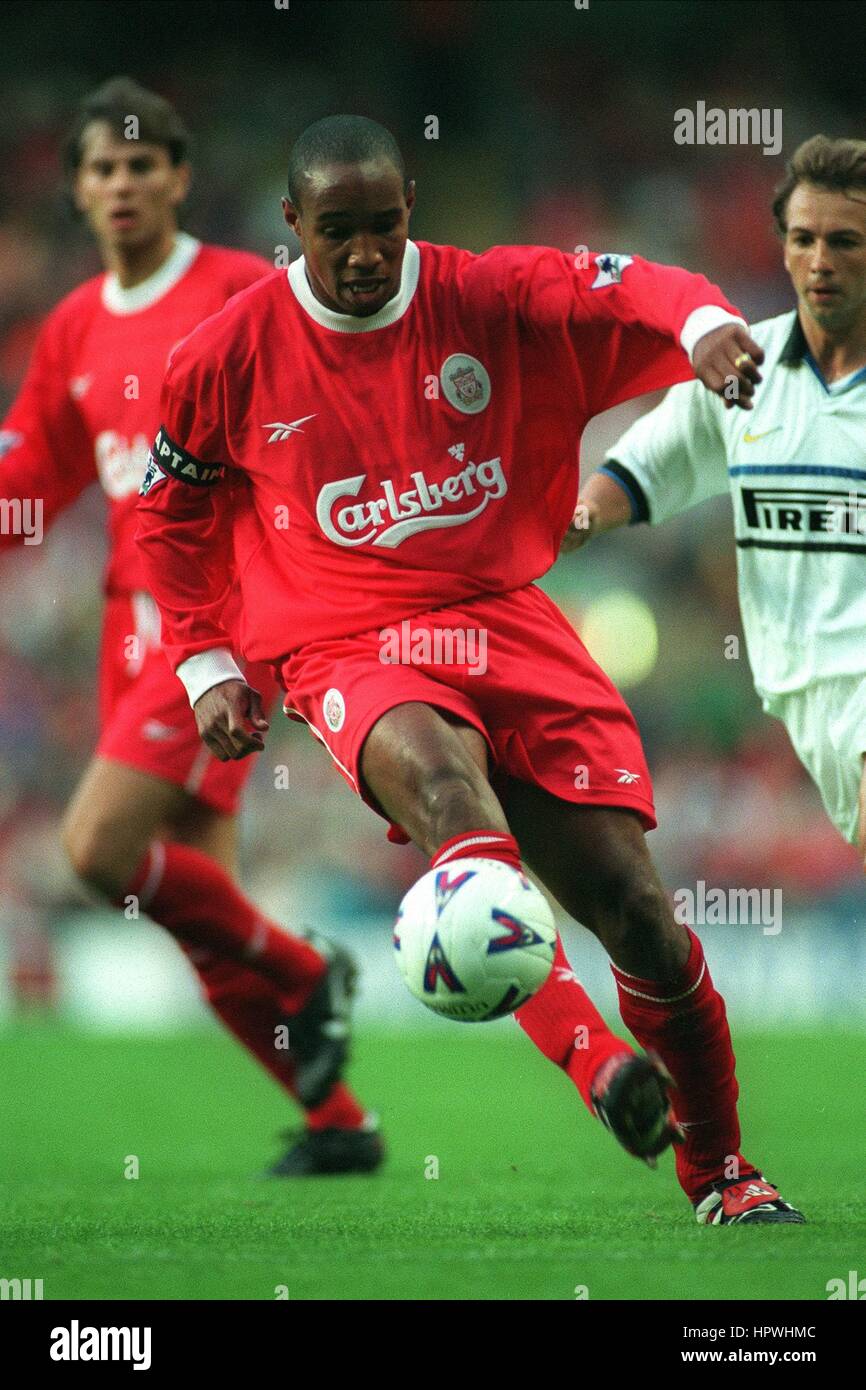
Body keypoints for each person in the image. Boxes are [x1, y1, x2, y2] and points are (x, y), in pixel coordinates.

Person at [136, 113, 803, 1225]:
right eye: (333, 232)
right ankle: (596, 1066)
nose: (359, 255)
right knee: (451, 800)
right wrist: (206, 660)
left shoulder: (484, 295)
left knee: (635, 911)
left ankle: (722, 1169)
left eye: (381, 228)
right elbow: (171, 513)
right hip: (346, 639)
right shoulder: (226, 353)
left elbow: (626, 282)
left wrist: (699, 326)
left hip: (505, 616)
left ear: (411, 212)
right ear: (290, 226)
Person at [0, 81, 382, 1177]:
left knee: (96, 850)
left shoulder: (238, 287)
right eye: (100, 169)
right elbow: (36, 473)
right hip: (131, 626)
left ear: (177, 175)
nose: (122, 184)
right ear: (75, 189)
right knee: (195, 913)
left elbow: (330, 395)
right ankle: (340, 1122)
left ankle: (307, 974)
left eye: (141, 165)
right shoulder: (70, 326)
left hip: (219, 613)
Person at [564, 134, 866, 872]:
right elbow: (644, 468)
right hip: (800, 689)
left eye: (845, 240)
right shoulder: (743, 370)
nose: (820, 259)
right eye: (803, 238)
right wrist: (577, 520)